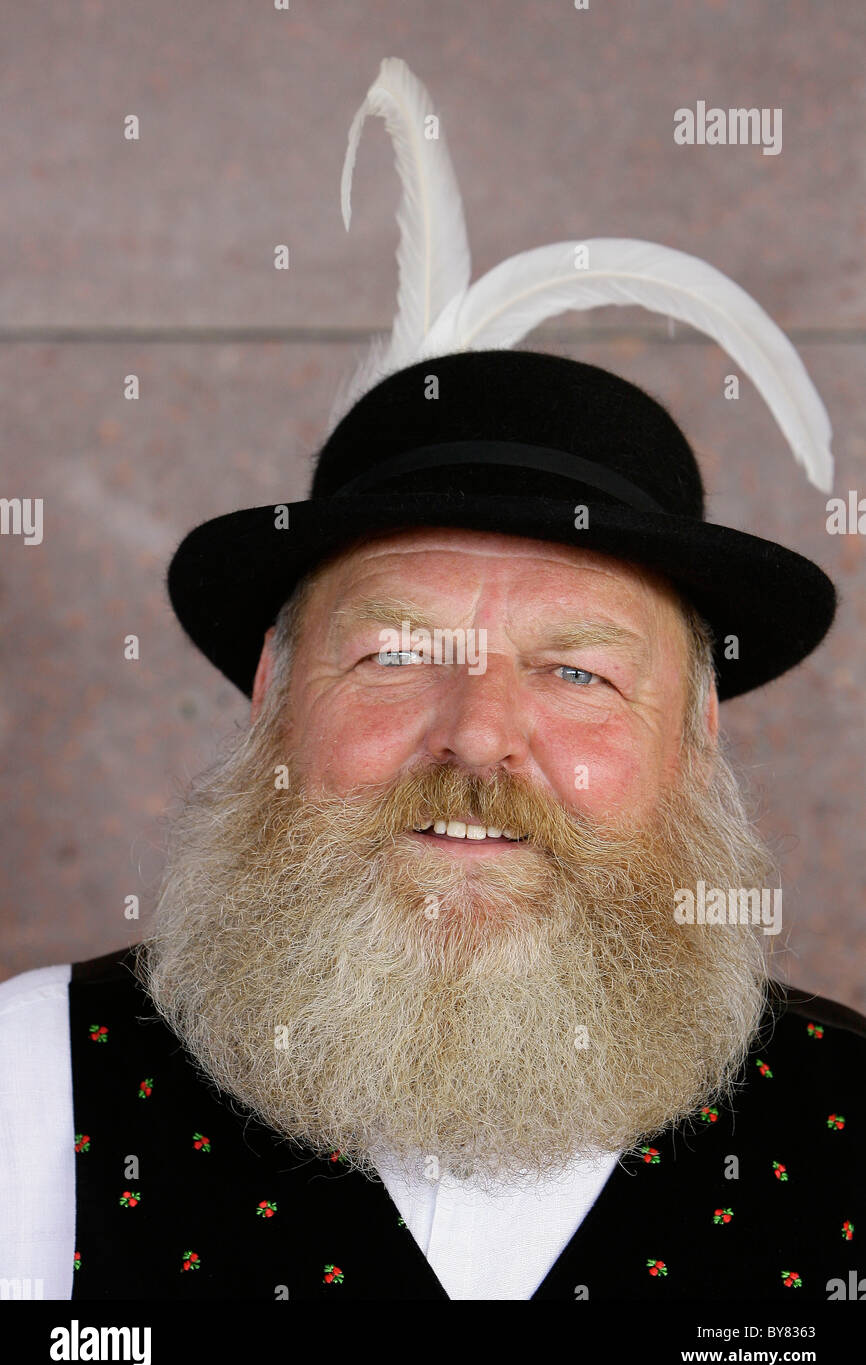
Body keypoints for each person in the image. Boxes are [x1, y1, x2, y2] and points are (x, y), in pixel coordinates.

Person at [1, 57, 861, 1302]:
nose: (477, 735)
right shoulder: (29, 1084)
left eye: (574, 671)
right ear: (272, 692)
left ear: (694, 732)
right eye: (396, 655)